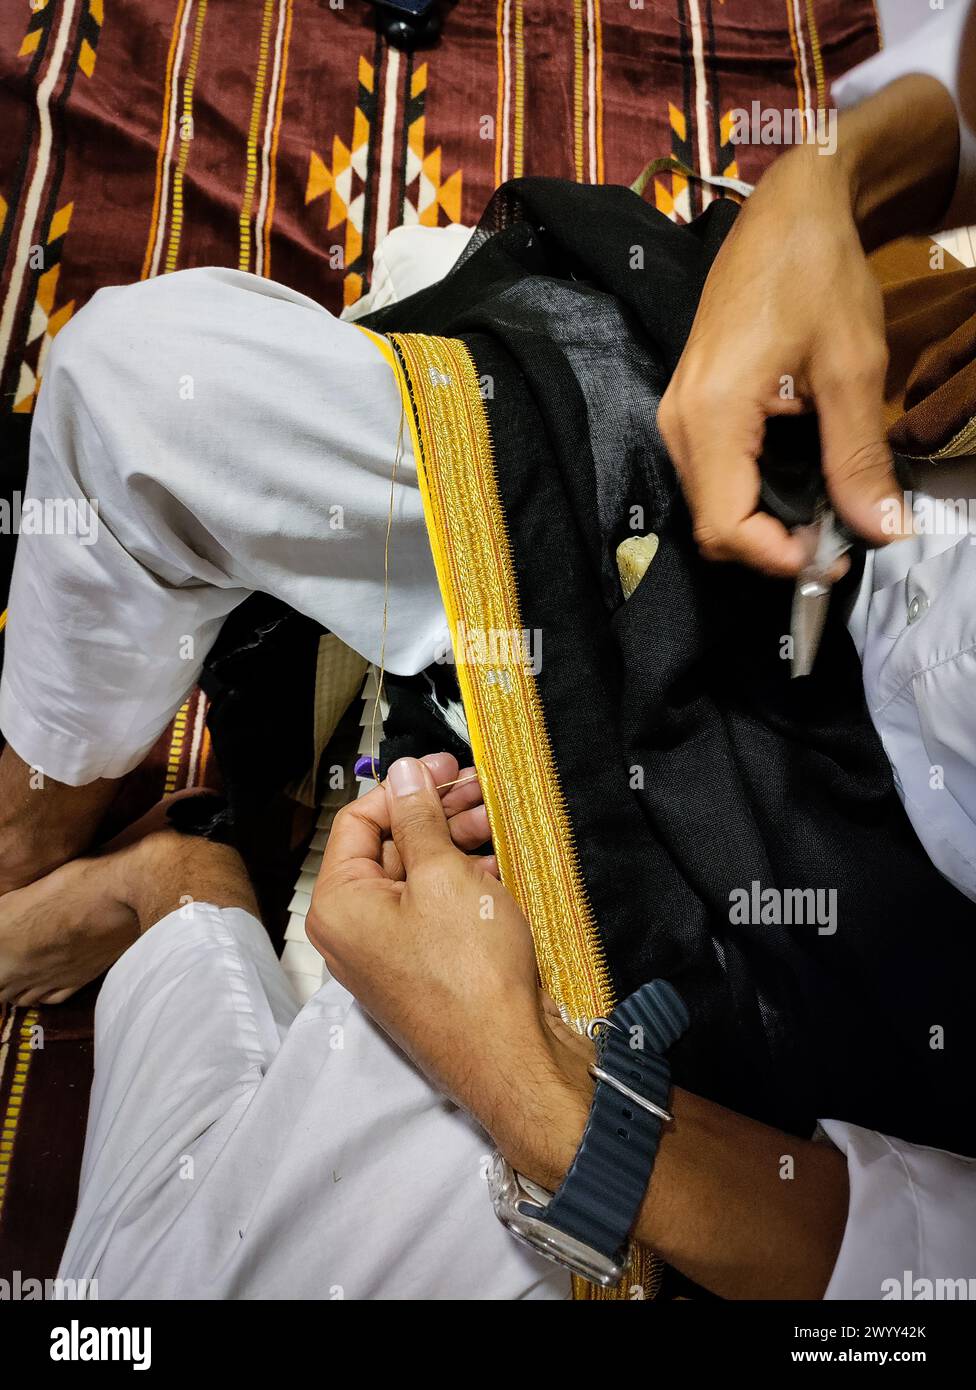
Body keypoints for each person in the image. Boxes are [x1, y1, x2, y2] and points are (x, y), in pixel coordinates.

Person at [3, 0, 976, 1298]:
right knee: (130, 386)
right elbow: (962, 76)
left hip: (830, 950)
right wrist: (819, 188)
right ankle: (32, 837)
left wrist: (543, 1099)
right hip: (772, 460)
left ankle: (173, 894)